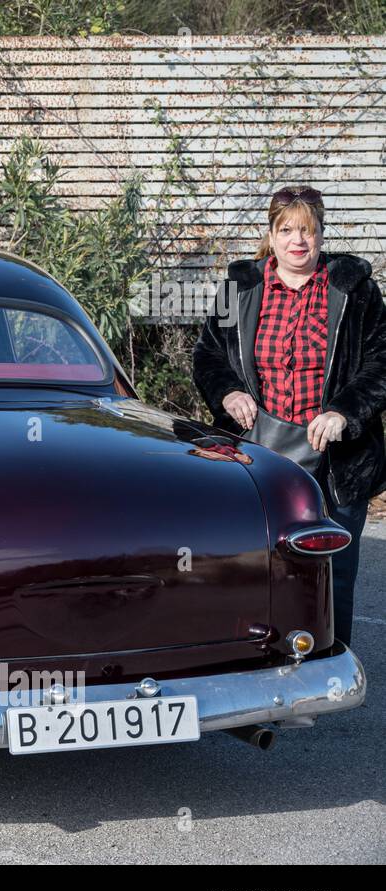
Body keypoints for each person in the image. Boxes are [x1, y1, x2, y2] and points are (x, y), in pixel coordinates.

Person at [193, 184, 386, 646]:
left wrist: (343, 412)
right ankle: (257, 665)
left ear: (321, 234)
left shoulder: (354, 290)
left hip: (338, 462)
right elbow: (207, 356)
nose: (298, 240)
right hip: (256, 457)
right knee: (254, 566)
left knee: (330, 574)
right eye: (287, 230)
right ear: (272, 234)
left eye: (308, 230)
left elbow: (381, 360)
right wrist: (229, 393)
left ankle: (326, 669)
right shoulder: (237, 287)